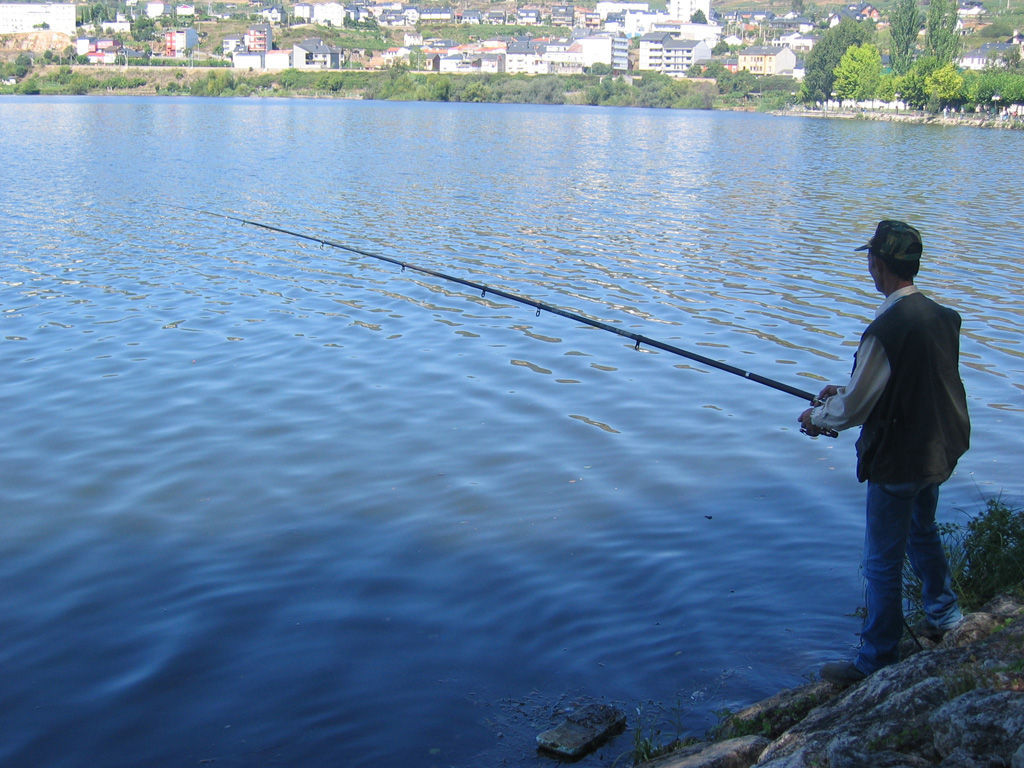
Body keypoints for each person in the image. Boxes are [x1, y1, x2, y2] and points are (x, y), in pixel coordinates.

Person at [798, 220, 970, 685]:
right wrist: (845, 390)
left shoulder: (885, 329)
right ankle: (946, 616)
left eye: (870, 258)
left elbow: (854, 408)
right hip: (937, 451)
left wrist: (818, 416)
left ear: (879, 264)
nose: (868, 265)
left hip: (899, 459)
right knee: (923, 531)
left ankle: (876, 657)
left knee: (882, 559)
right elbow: (909, 383)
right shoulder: (941, 316)